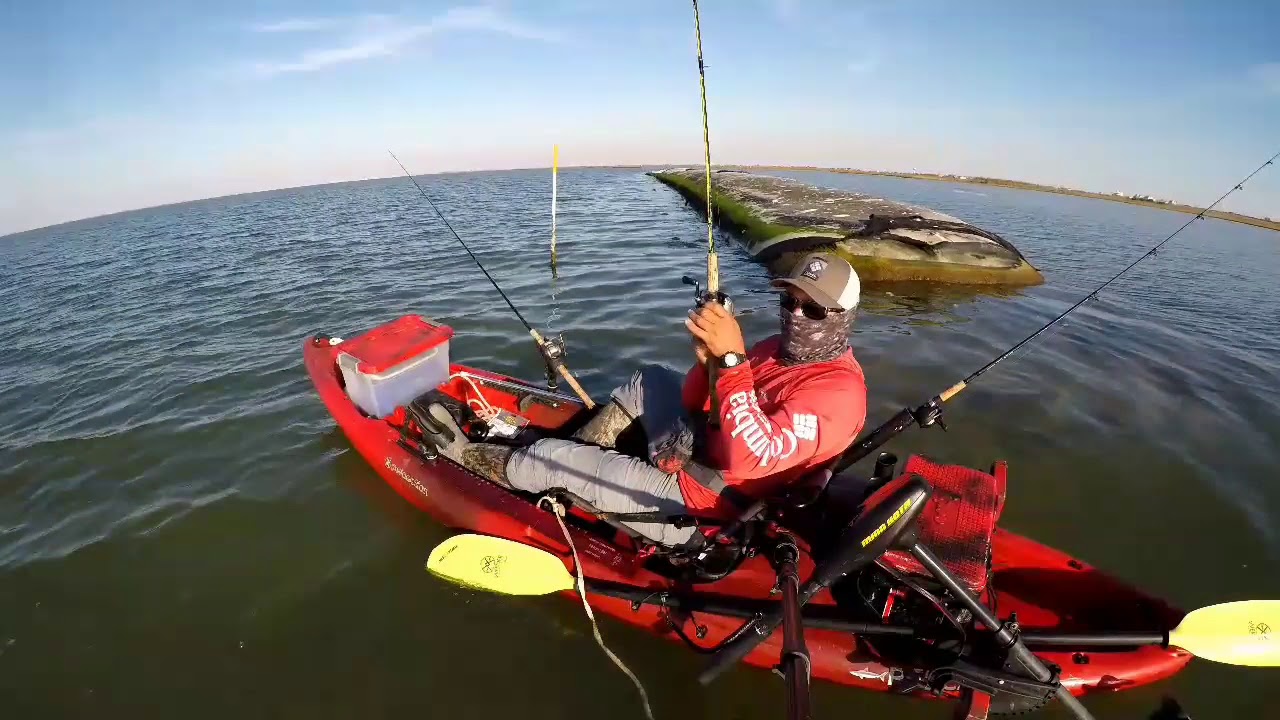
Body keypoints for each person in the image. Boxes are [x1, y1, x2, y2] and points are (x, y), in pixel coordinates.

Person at [424, 252, 867, 545]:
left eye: (811, 310)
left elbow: (750, 459)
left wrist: (731, 358)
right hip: (700, 452)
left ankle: (469, 460)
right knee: (651, 378)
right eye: (789, 302)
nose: (793, 315)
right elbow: (702, 405)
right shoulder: (775, 348)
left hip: (710, 505)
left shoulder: (840, 393)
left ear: (844, 319)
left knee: (540, 456)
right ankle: (576, 468)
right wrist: (707, 365)